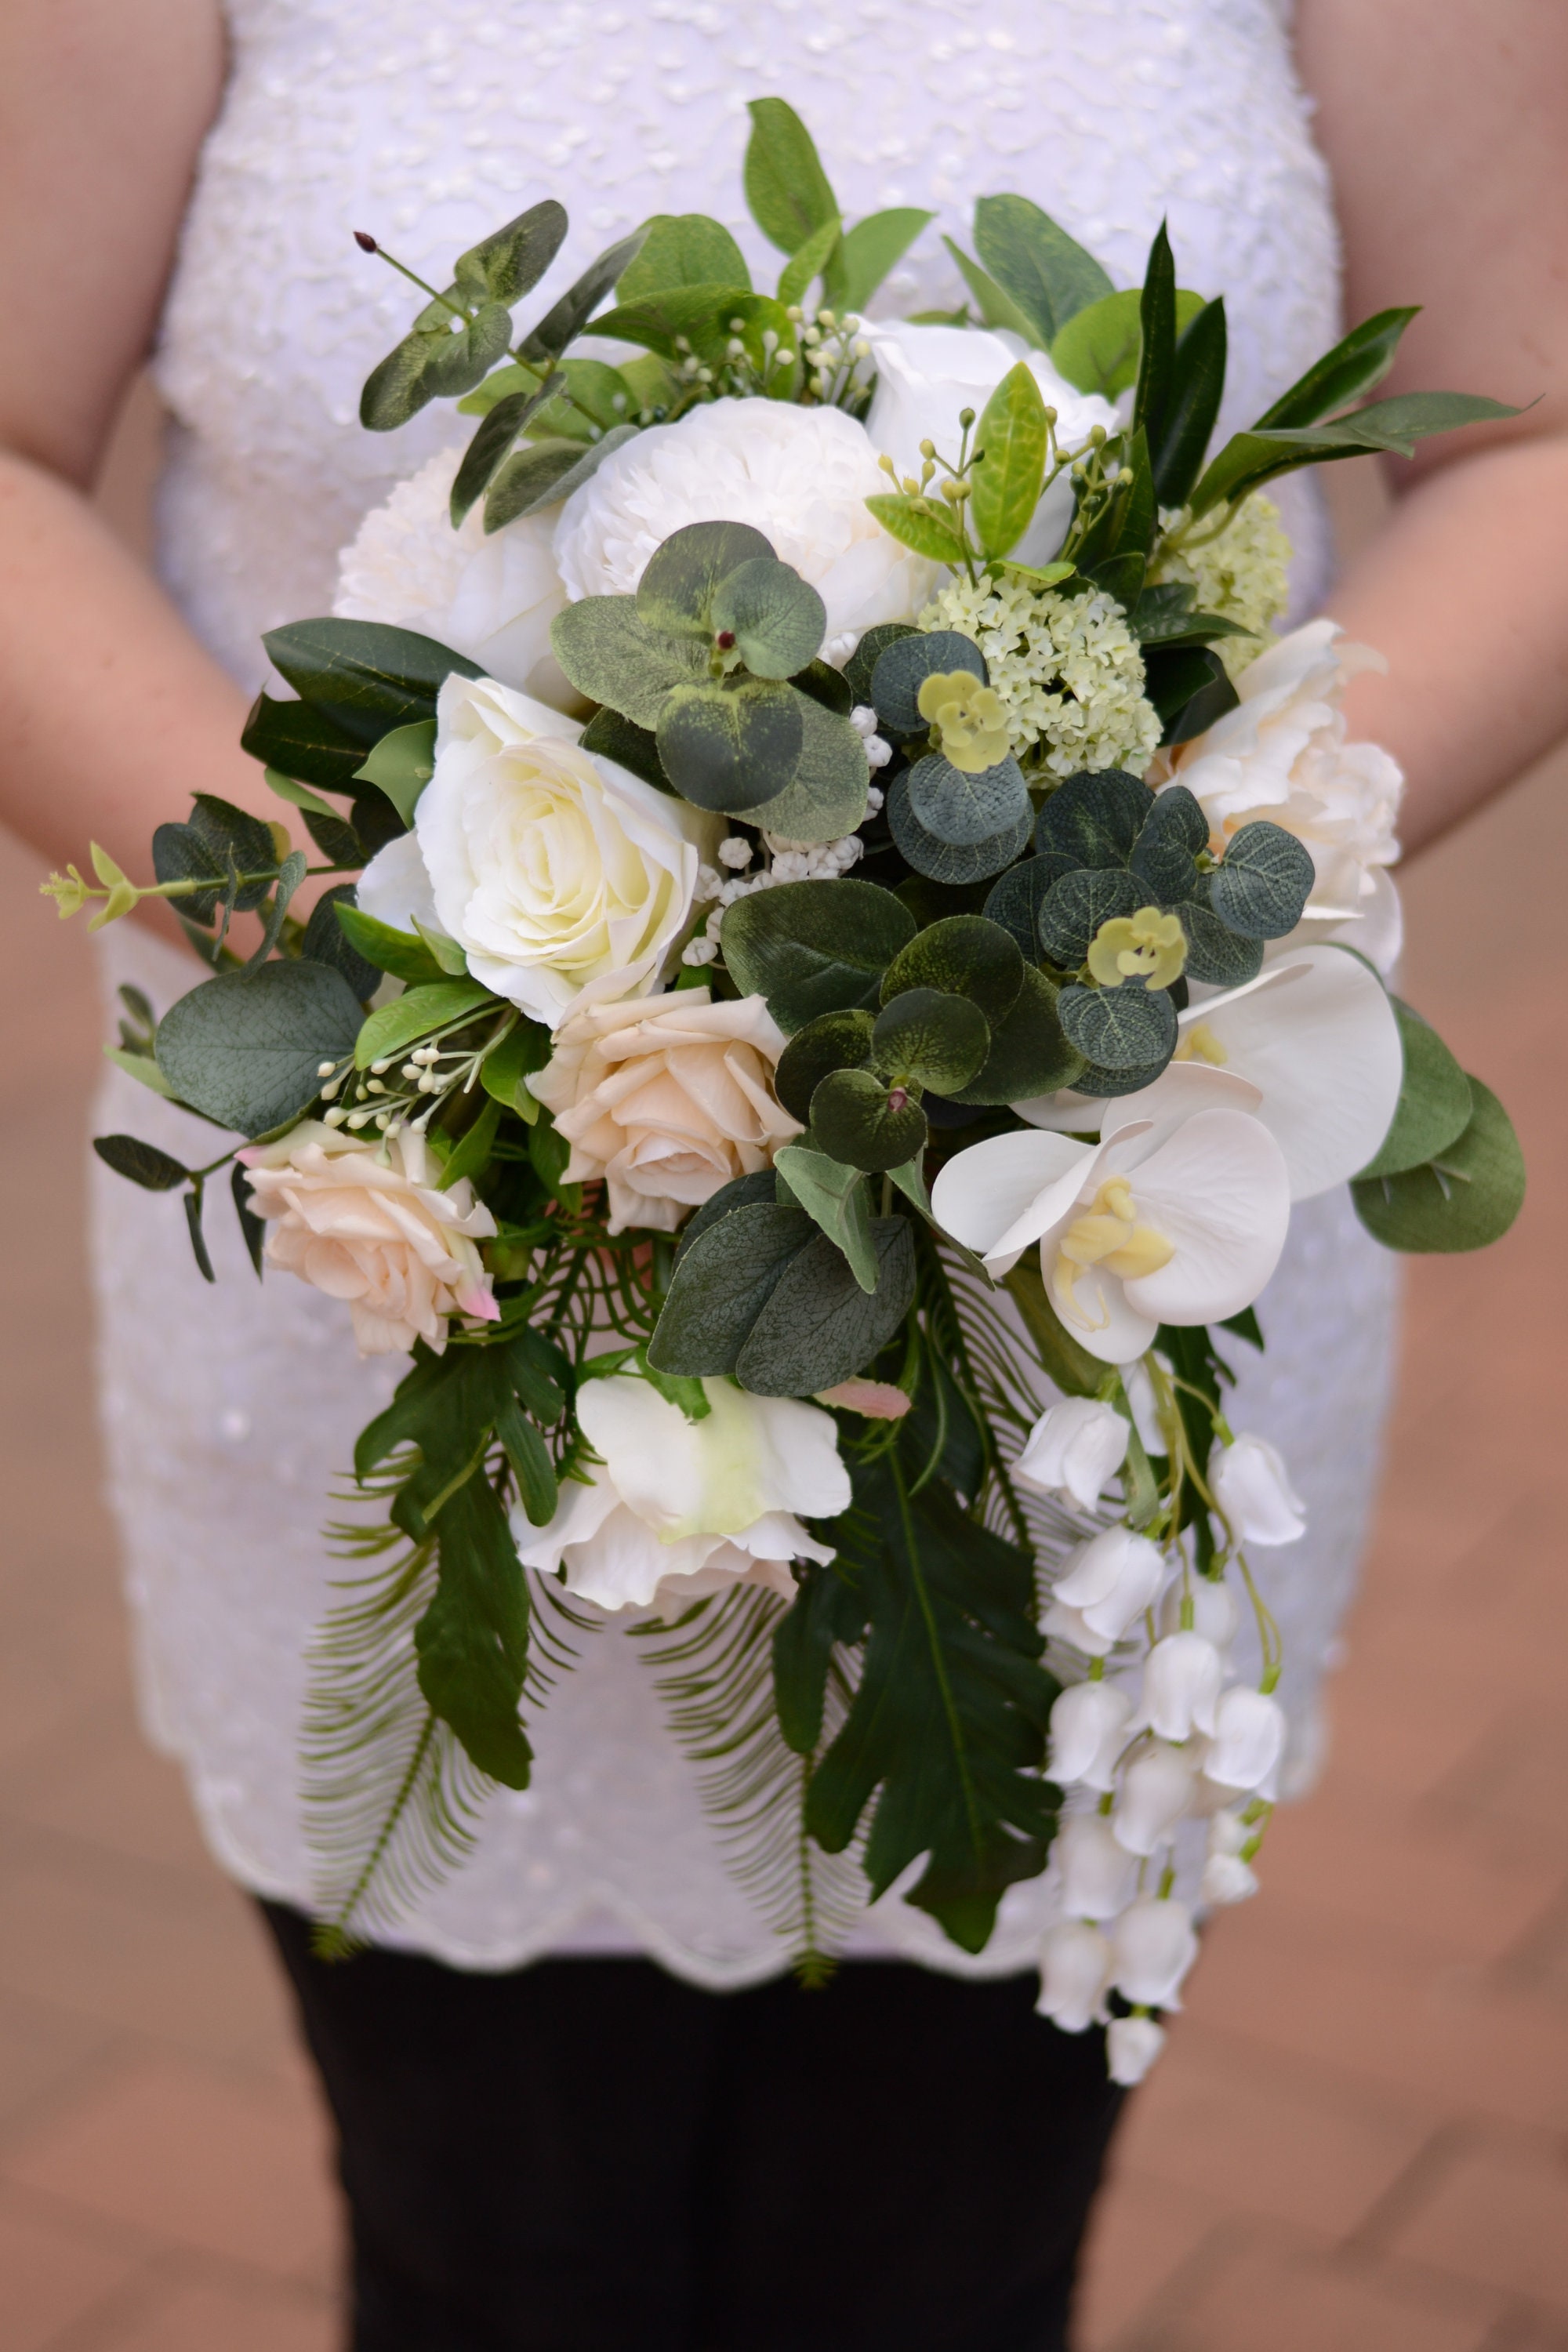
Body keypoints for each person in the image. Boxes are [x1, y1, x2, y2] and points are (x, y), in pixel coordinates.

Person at [2, 3, 1565, 2345]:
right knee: (484, 2258)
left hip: (1091, 1271)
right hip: (409, 1290)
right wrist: (443, 993)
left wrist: (1132, 913)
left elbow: (1533, 436)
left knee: (949, 2266)